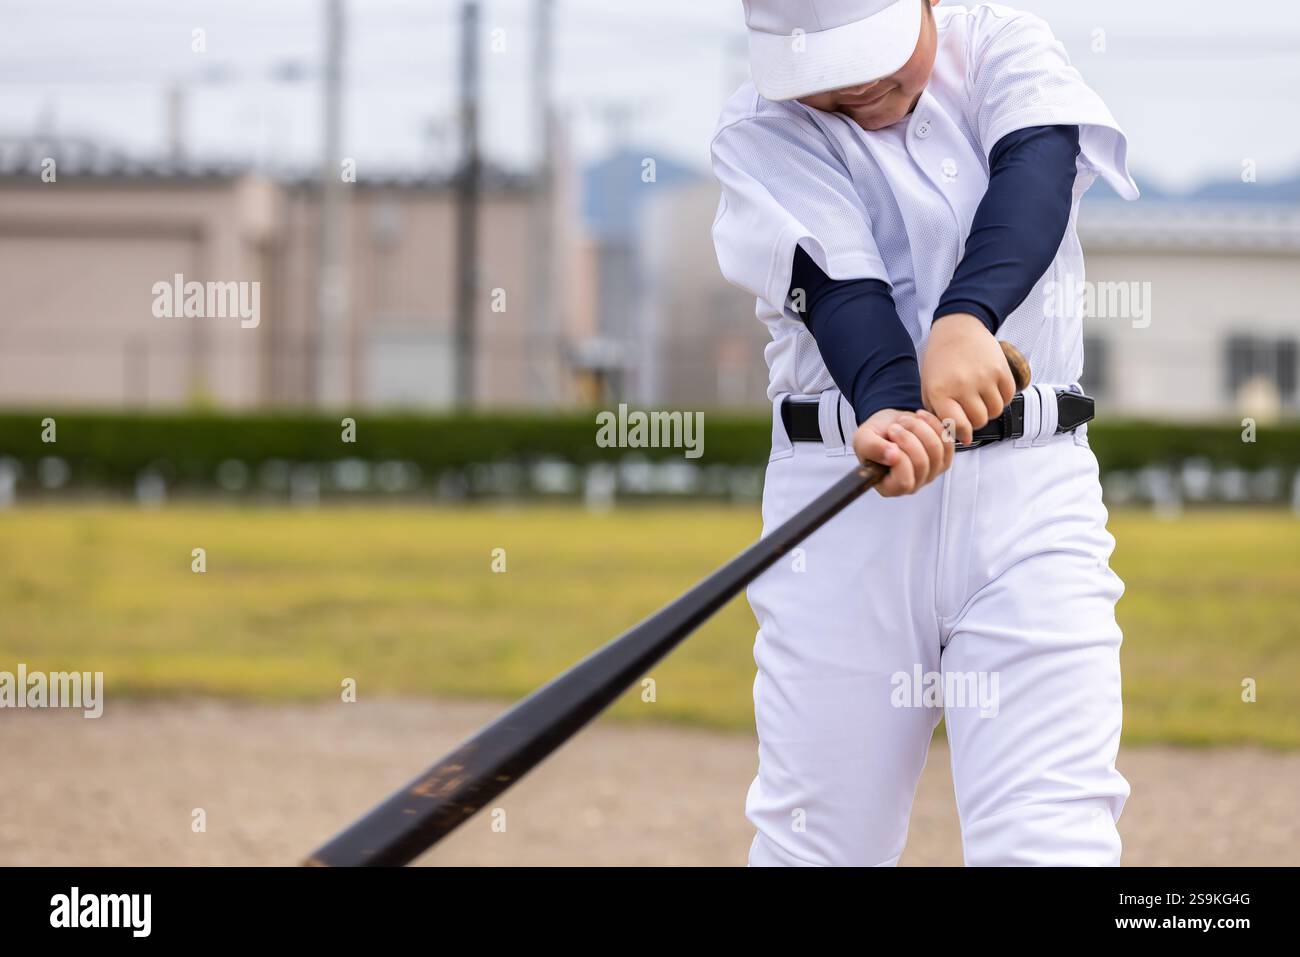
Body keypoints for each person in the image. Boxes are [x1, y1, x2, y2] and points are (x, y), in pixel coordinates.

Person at [710, 0, 1138, 865]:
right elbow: (836, 287)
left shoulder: (1003, 43)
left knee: (1050, 840)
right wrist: (888, 402)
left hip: (1032, 494)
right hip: (846, 490)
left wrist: (966, 318)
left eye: (868, 51)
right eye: (820, 68)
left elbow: (1037, 170)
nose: (852, 83)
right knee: (819, 844)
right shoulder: (759, 128)